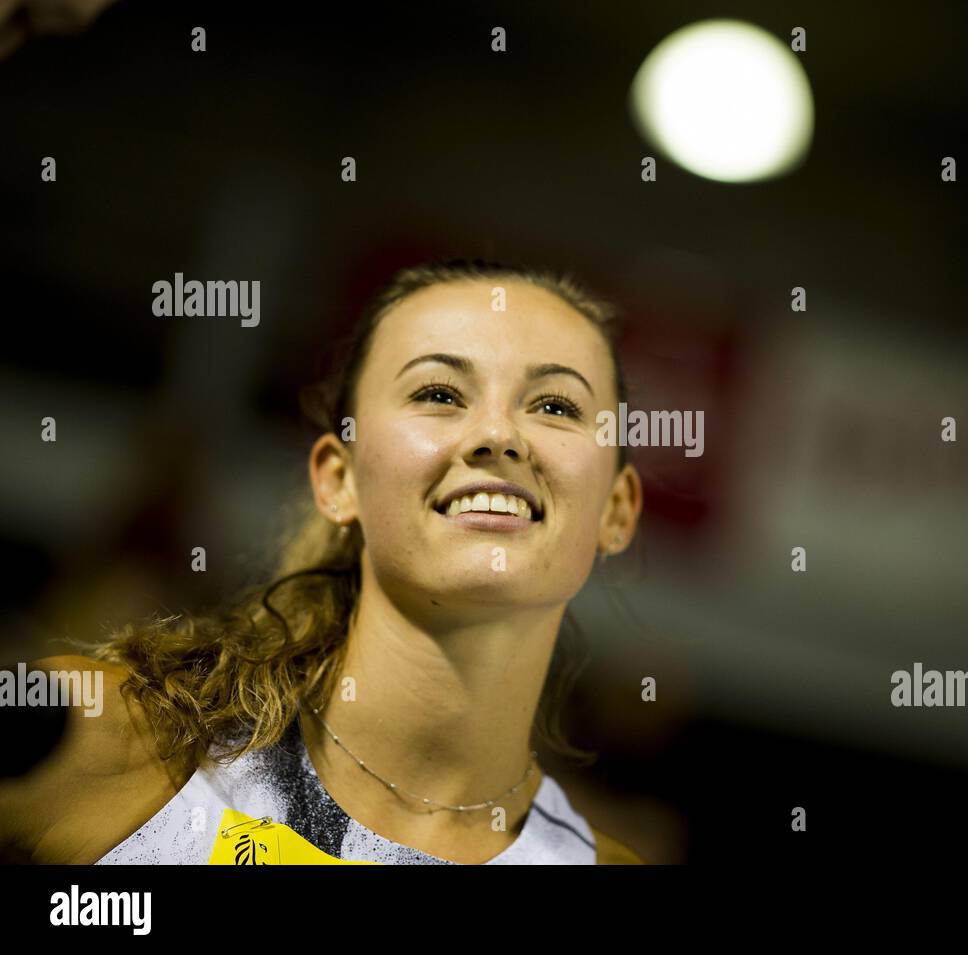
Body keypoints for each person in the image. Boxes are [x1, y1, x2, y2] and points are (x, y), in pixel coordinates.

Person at [0, 258, 647, 864]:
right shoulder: (105, 746)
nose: (499, 435)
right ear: (339, 480)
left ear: (617, 511)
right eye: (440, 394)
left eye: (556, 406)